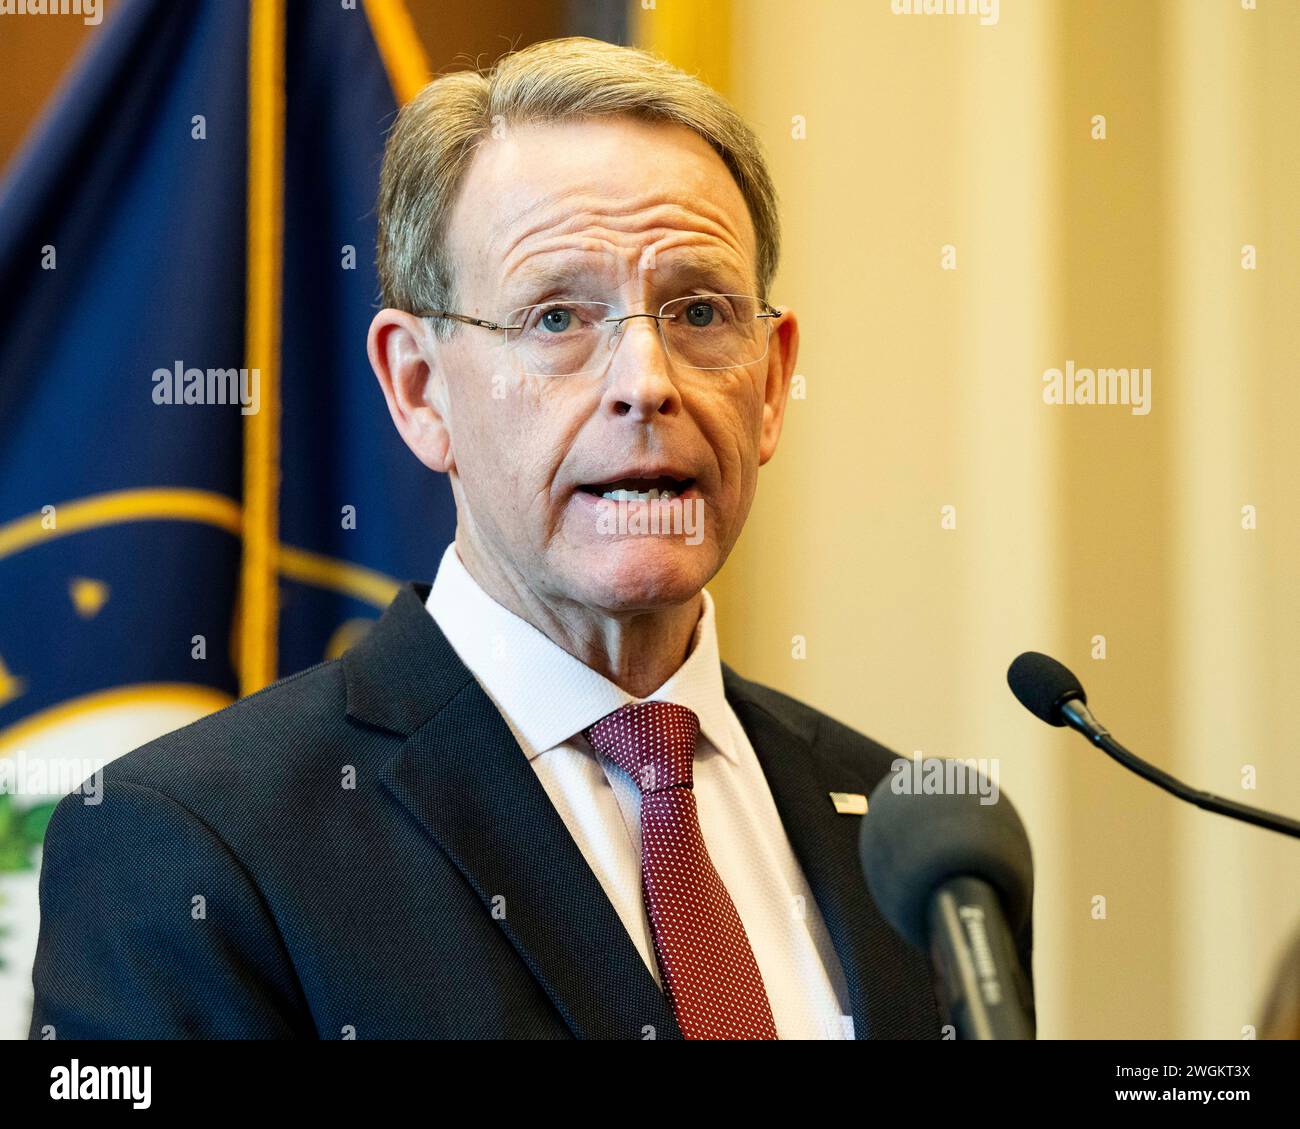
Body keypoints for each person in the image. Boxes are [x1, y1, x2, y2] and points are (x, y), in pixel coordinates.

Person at [28, 36, 1033, 1040]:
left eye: (697, 310)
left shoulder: (919, 837)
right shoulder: (189, 847)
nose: (647, 382)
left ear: (770, 383)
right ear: (419, 388)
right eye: (557, 316)